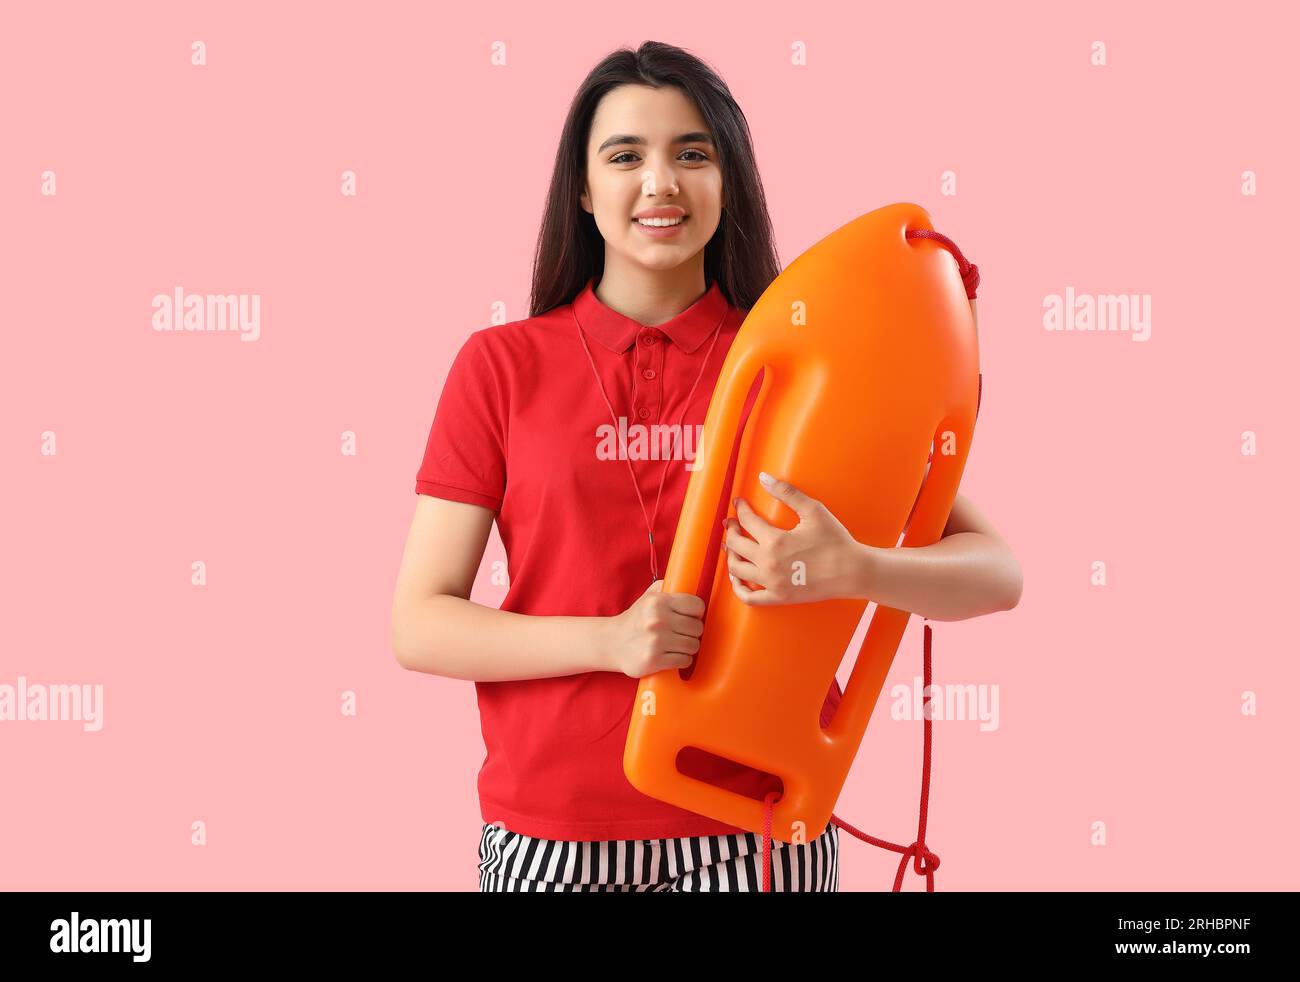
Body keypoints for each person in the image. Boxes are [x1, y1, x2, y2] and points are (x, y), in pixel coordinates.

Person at [391, 41, 1023, 892]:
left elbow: (996, 575)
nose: (661, 183)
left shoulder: (806, 368)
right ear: (582, 189)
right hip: (549, 839)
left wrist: (852, 568)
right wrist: (610, 642)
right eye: (626, 157)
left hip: (758, 834)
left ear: (729, 186)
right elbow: (420, 624)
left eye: (694, 154)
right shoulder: (500, 367)